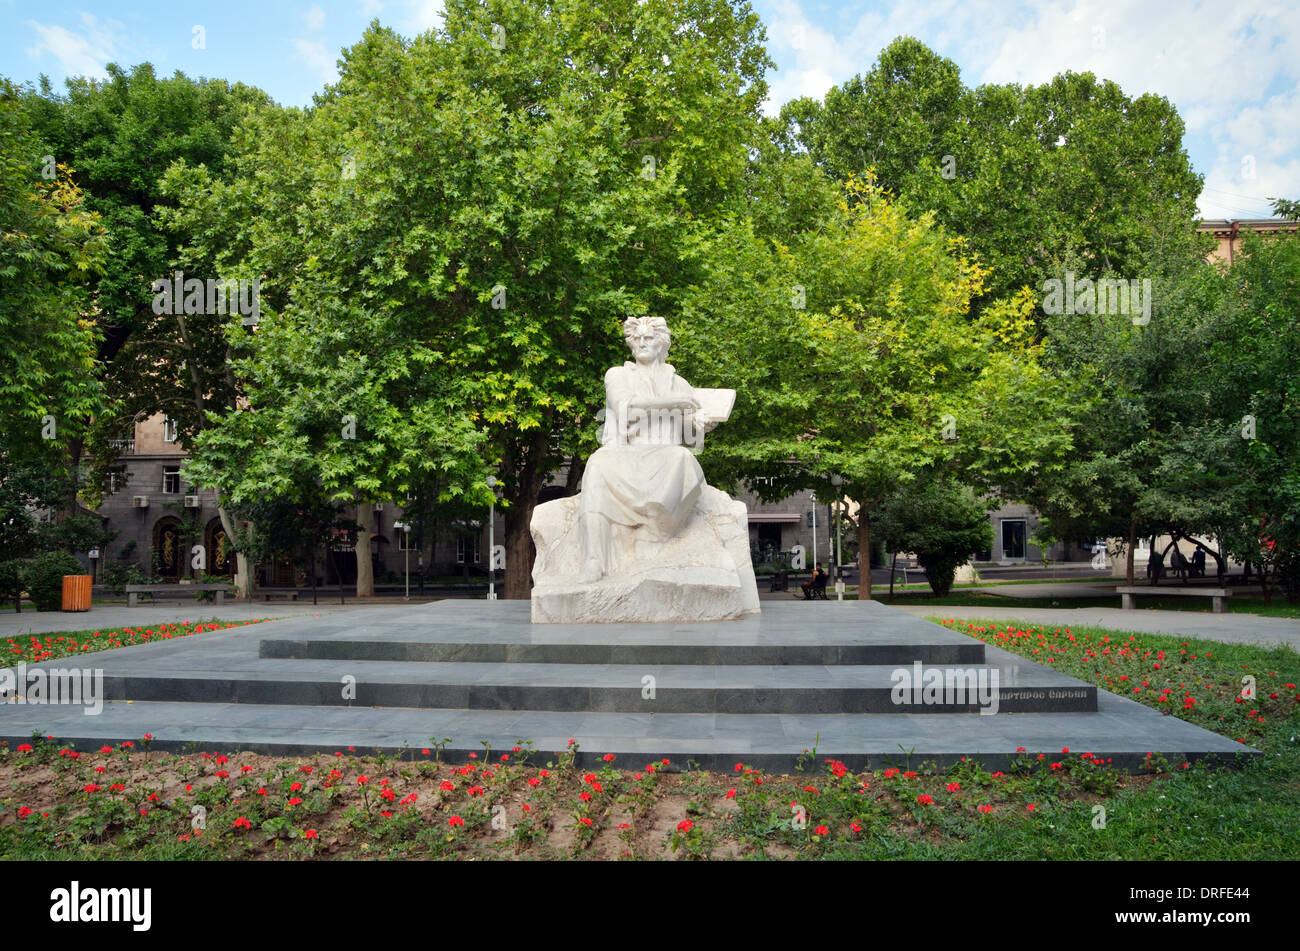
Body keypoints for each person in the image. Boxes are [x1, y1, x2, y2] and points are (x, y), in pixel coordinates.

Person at [577, 315, 717, 583]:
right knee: (596, 465)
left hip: (664, 452)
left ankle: (654, 534)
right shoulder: (618, 375)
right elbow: (625, 407)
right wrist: (676, 402)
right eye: (637, 338)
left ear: (662, 343)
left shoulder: (680, 383)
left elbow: (689, 431)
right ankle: (594, 559)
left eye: (648, 338)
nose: (642, 343)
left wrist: (701, 424)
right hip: (625, 452)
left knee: (683, 458)